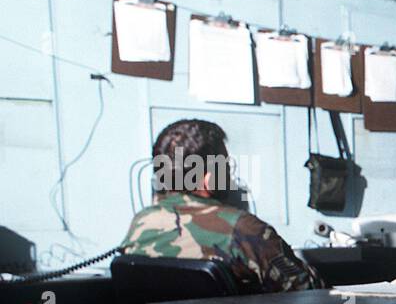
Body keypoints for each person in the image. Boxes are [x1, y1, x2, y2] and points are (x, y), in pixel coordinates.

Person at [123, 119, 323, 292]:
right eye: (226, 166)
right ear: (209, 179)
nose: (230, 176)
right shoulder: (243, 228)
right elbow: (309, 290)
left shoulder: (141, 223)